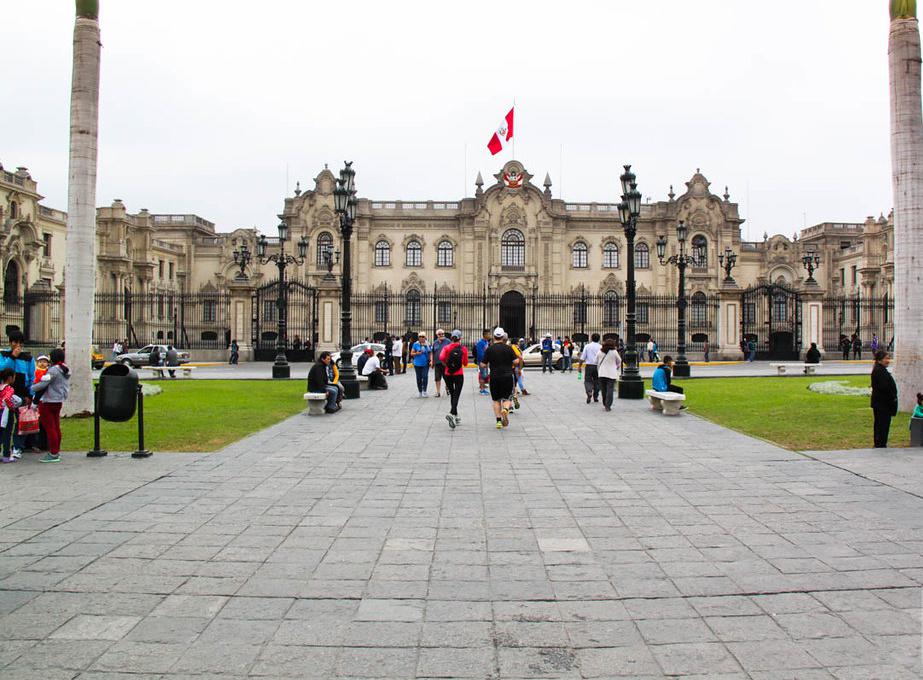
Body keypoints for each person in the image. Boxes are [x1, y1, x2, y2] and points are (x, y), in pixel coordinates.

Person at [0, 330, 35, 458]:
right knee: (6, 422)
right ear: (10, 342)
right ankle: (5, 448)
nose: (17, 345)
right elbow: (2, 369)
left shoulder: (28, 358)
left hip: (22, 393)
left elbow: (32, 377)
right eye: (15, 342)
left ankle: (17, 447)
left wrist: (30, 395)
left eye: (20, 343)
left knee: (21, 422)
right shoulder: (3, 355)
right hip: (5, 394)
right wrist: (12, 357)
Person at [31, 347, 69, 463]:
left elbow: (43, 385)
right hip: (58, 400)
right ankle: (56, 450)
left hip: (48, 401)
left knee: (50, 428)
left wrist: (32, 387)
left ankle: (53, 453)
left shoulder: (53, 371)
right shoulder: (65, 369)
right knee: (56, 427)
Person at [480, 327, 520, 430]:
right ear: (503, 337)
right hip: (507, 376)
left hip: (494, 377)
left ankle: (498, 422)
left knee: (496, 400)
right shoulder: (508, 348)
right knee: (507, 398)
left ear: (494, 337)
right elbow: (516, 361)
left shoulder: (489, 349)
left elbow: (483, 364)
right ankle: (505, 409)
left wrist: (487, 363)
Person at [439, 329, 468, 429]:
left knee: (452, 394)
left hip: (448, 374)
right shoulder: (463, 349)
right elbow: (465, 363)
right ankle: (452, 413)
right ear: (460, 338)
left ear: (451, 338)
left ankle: (455, 415)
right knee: (457, 394)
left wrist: (447, 364)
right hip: (458, 374)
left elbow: (441, 357)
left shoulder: (446, 347)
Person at [870, 349, 898, 448]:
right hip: (882, 404)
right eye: (886, 358)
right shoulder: (879, 371)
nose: (888, 360)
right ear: (879, 360)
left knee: (882, 426)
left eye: (888, 358)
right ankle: (880, 444)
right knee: (881, 426)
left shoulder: (881, 370)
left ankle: (881, 443)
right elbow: (884, 388)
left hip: (882, 404)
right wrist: (892, 397)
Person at [596, 338, 623, 412]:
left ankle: (605, 403)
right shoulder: (614, 352)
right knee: (610, 389)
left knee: (603, 390)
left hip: (602, 373)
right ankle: (608, 405)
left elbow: (596, 361)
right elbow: (619, 361)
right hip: (611, 373)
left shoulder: (600, 352)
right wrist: (616, 366)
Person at [0, 369, 21, 463]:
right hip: (6, 412)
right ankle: (6, 455)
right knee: (7, 433)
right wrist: (11, 407)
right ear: (10, 378)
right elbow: (7, 399)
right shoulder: (9, 388)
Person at [579, 333, 602, 404]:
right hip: (598, 366)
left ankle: (589, 392)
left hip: (589, 366)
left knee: (587, 380)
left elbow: (583, 357)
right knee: (597, 381)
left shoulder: (587, 346)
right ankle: (596, 396)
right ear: (599, 339)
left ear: (591, 338)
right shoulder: (601, 347)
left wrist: (580, 366)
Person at [411, 332, 432, 397]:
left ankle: (424, 391)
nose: (421, 338)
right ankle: (420, 391)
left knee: (425, 377)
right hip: (417, 364)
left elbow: (430, 353)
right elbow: (411, 353)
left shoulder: (428, 344)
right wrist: (416, 353)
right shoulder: (415, 344)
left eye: (423, 336)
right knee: (418, 378)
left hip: (425, 363)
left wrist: (431, 361)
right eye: (420, 336)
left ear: (425, 337)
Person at [431, 329, 451, 398]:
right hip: (437, 363)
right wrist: (432, 361)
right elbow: (432, 353)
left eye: (442, 334)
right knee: (437, 378)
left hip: (445, 363)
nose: (441, 335)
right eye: (439, 334)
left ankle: (447, 388)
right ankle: (438, 392)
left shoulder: (448, 341)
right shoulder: (435, 343)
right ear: (437, 335)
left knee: (447, 378)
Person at [475, 329, 491, 395]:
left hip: (485, 361)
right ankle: (482, 390)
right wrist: (484, 362)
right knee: (482, 375)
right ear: (485, 335)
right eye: (488, 334)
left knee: (485, 375)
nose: (489, 335)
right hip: (482, 362)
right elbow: (480, 354)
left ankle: (483, 386)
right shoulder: (480, 343)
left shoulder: (486, 342)